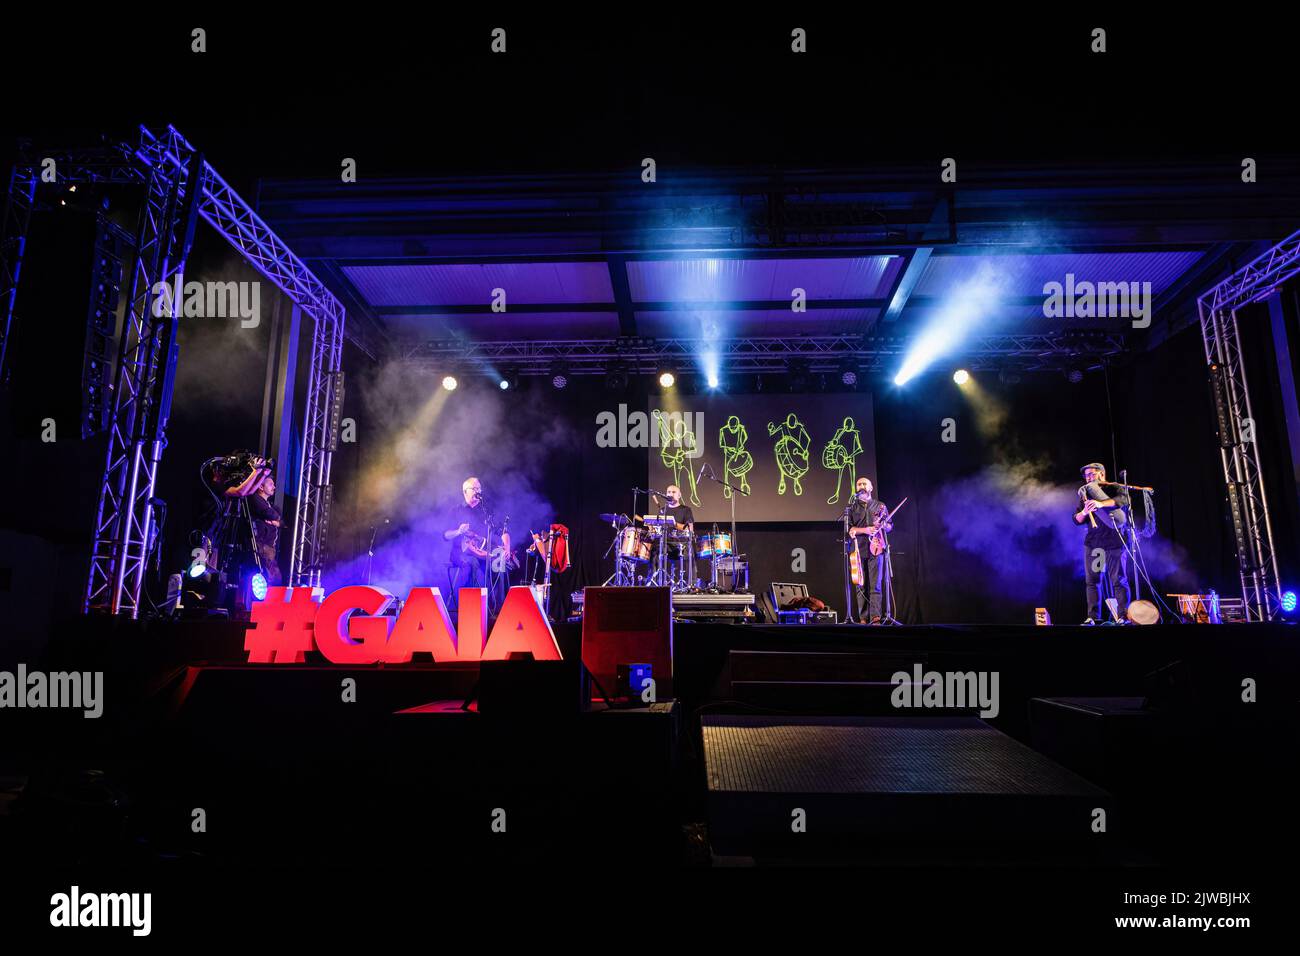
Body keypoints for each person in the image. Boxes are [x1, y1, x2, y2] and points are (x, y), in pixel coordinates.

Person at [1073, 462, 1131, 624]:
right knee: (1093, 581)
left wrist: (1100, 504)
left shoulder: (1114, 487)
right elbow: (1076, 519)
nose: (1088, 478)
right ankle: (1093, 617)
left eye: (1092, 474)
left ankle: (1123, 616)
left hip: (1115, 543)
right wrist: (1084, 512)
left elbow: (1122, 500)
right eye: (1086, 475)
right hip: (1094, 545)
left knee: (1118, 580)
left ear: (1102, 474)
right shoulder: (1085, 494)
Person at [847, 476, 892, 623]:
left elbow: (890, 526)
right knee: (860, 585)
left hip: (877, 548)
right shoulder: (852, 508)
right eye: (859, 484)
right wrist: (866, 530)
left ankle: (876, 617)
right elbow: (849, 529)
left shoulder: (880, 506)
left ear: (871, 487)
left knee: (876, 585)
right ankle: (863, 618)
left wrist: (883, 525)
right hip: (858, 550)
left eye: (864, 484)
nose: (861, 486)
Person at [246, 473, 283, 585]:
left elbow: (281, 520)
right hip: (262, 546)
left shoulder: (270, 505)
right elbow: (271, 514)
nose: (274, 487)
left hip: (269, 548)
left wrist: (277, 522)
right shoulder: (255, 499)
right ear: (261, 487)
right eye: (271, 484)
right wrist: (275, 519)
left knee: (274, 579)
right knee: (273, 579)